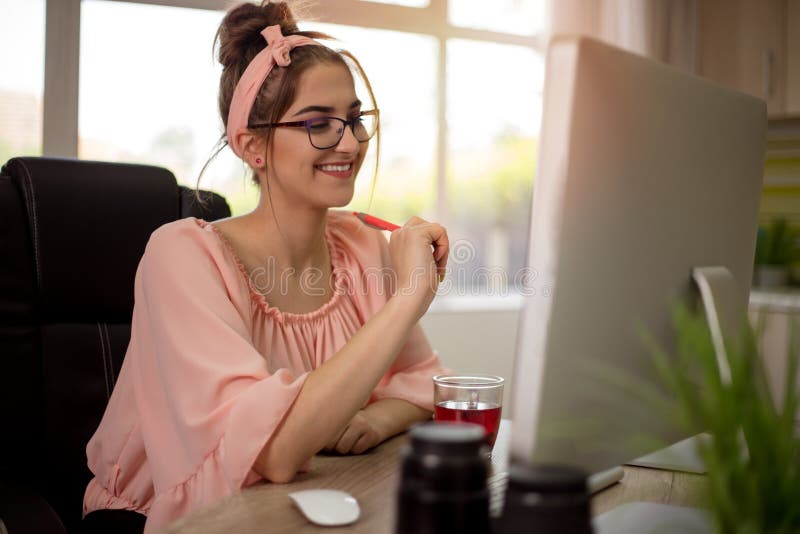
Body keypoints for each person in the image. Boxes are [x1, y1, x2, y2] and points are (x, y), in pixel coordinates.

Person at [81, 1, 450, 532]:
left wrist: (374, 418)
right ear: (253, 145)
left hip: (300, 504)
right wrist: (409, 297)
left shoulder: (364, 248)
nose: (350, 142)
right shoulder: (181, 256)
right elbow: (272, 452)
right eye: (318, 123)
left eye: (354, 119)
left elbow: (424, 384)